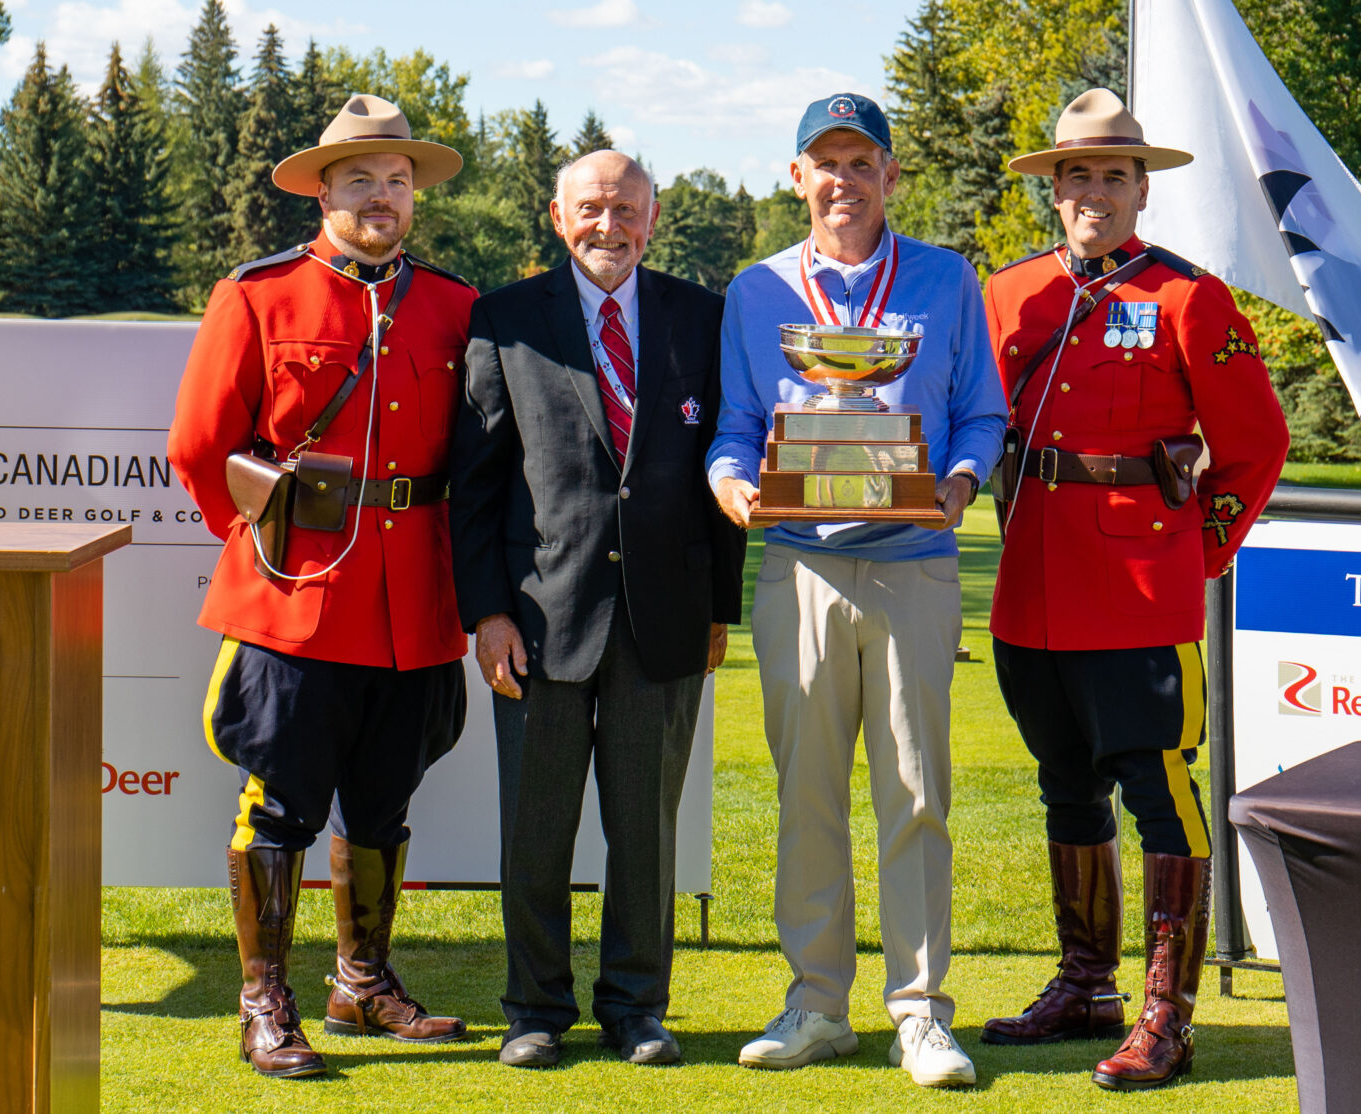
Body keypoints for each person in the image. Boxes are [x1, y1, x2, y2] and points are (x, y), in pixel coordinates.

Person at [978, 88, 1289, 1091]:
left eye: (1114, 174)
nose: (1094, 192)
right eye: (1077, 175)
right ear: (1053, 189)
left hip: (1137, 587)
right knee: (1065, 784)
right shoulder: (1009, 293)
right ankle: (1086, 984)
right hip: (1030, 582)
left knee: (1161, 797)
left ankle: (1168, 1014)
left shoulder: (1189, 299)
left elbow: (1255, 447)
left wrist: (1196, 552)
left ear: (1142, 187)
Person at [167, 93, 476, 1079]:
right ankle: (265, 1002)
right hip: (296, 598)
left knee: (383, 807)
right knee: (280, 807)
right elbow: (201, 447)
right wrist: (264, 547)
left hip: (413, 601)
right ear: (323, 192)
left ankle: (363, 982)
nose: (382, 196)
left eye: (397, 181)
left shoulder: (456, 307)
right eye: (360, 181)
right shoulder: (256, 297)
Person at [707, 92, 1005, 1089]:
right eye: (824, 163)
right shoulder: (756, 290)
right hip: (799, 561)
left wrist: (959, 481)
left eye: (862, 161)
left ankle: (920, 1011)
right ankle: (816, 1001)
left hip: (913, 565)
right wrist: (729, 481)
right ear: (797, 178)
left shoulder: (945, 278)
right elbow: (737, 423)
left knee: (917, 791)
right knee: (808, 794)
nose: (844, 181)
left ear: (890, 175)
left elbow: (980, 413)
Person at [449, 149, 745, 1069]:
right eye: (590, 209)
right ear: (556, 215)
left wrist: (718, 609)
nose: (608, 226)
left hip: (665, 615)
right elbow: (476, 485)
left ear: (653, 217)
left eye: (626, 209)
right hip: (538, 620)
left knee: (645, 833)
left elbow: (723, 463)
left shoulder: (702, 316)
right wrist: (486, 613)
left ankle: (635, 1008)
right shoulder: (503, 320)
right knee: (534, 831)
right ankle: (534, 1008)